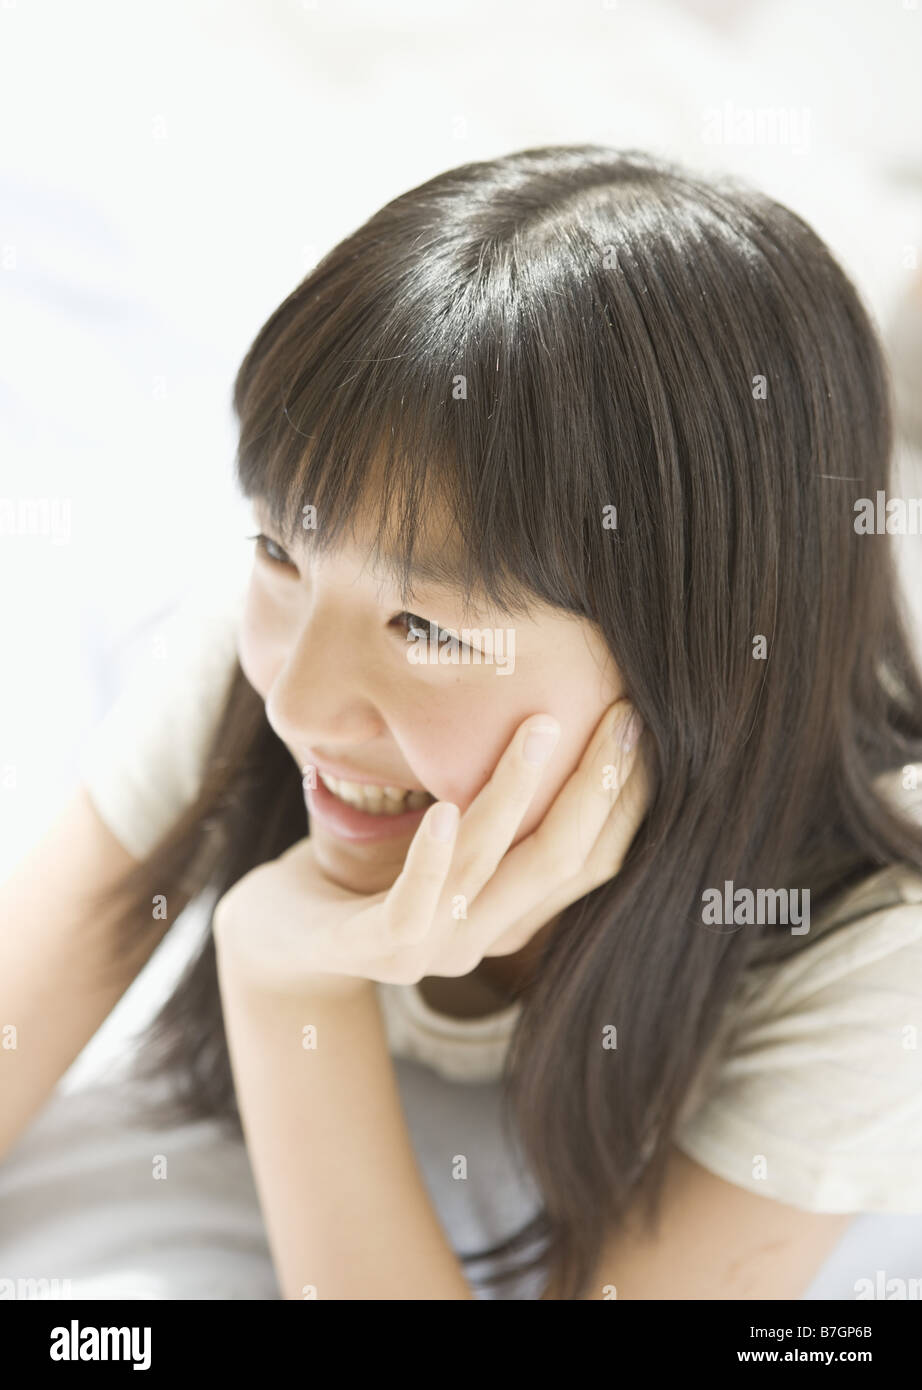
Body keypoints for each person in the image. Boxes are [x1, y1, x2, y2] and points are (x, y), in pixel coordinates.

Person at [2, 144, 921, 1301]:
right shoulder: (262, 662)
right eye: (279, 548)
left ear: (695, 663)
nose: (301, 702)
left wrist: (290, 980)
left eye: (426, 629)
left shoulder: (875, 933)